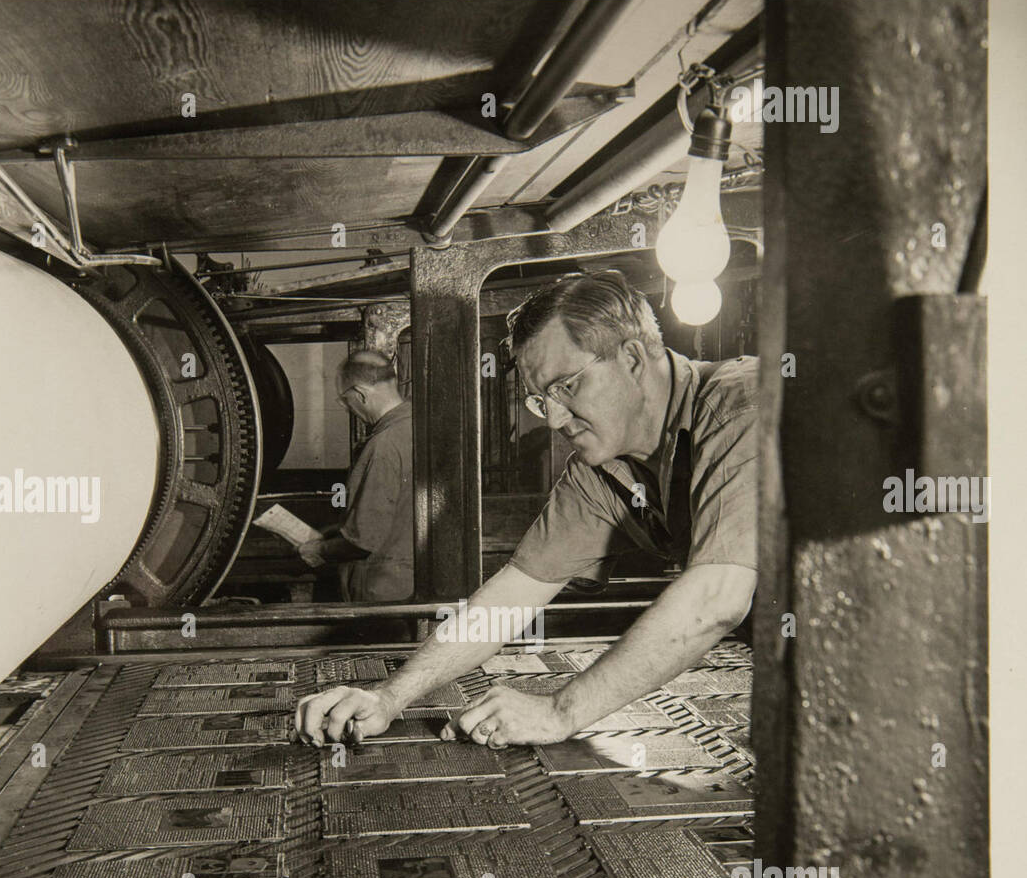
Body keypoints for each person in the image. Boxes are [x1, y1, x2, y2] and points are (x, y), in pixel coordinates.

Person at [295, 270, 757, 749]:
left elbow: (717, 598)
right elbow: (511, 597)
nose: (554, 419)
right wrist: (390, 697)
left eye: (565, 388)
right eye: (541, 401)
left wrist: (559, 712)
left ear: (633, 358)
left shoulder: (740, 405)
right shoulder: (601, 471)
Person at [297, 350, 414, 601]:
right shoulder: (418, 426)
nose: (348, 408)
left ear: (361, 394)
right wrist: (341, 530)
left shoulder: (382, 446)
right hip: (408, 586)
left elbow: (363, 541)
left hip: (382, 593)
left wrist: (320, 549)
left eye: (345, 401)